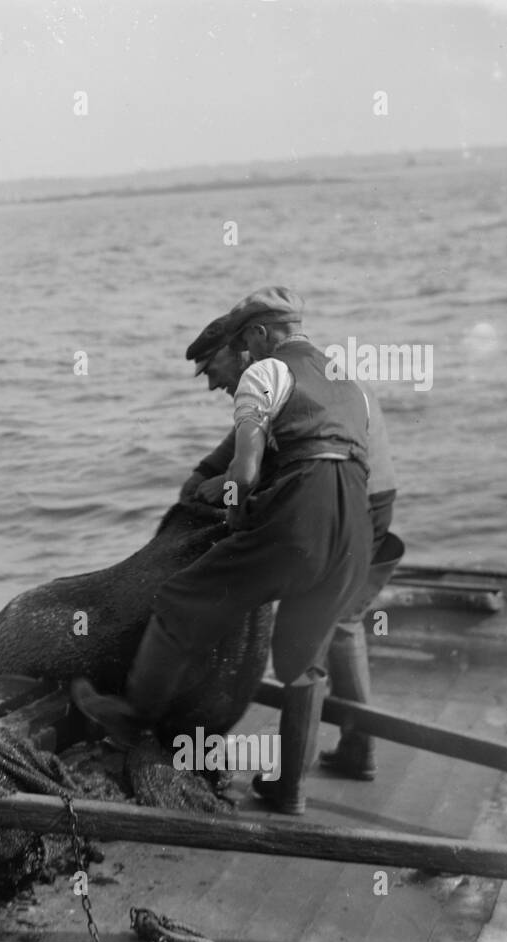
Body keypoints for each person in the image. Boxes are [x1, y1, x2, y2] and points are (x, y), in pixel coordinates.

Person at [73, 286, 373, 814]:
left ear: (259, 334)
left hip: (302, 517)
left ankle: (132, 718)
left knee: (180, 602)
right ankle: (290, 792)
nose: (244, 351)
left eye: (245, 339)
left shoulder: (264, 372)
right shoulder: (344, 378)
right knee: (303, 662)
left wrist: (235, 514)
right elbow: (342, 452)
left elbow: (247, 464)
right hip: (355, 526)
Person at [179, 315, 405, 782]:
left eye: (213, 366)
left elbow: (265, 458)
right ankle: (352, 751)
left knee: (329, 631)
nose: (213, 382)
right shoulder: (310, 372)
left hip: (357, 504)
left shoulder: (284, 375)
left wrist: (222, 487)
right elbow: (255, 433)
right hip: (360, 500)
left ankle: (308, 774)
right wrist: (208, 470)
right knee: (336, 625)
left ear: (248, 345)